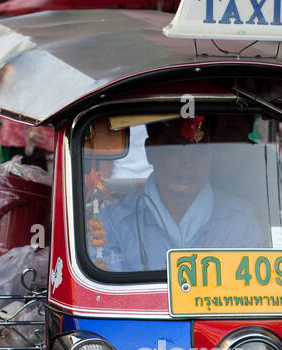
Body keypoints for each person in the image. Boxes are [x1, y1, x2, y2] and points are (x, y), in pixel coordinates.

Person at [87, 116, 260, 272]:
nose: (187, 162)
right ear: (150, 151)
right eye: (174, 148)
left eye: (198, 150)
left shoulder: (241, 220)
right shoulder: (112, 223)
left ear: (211, 153)